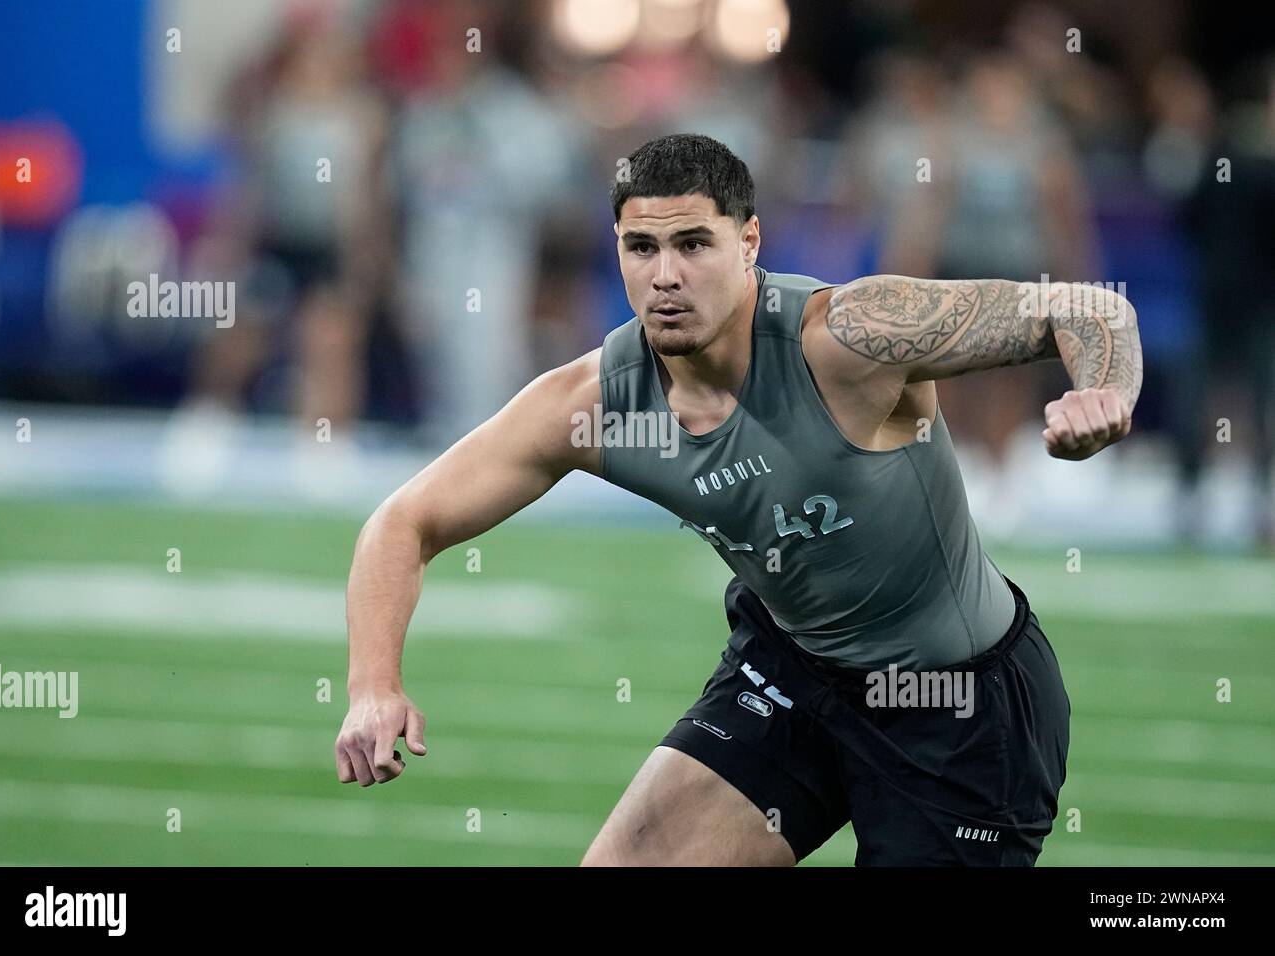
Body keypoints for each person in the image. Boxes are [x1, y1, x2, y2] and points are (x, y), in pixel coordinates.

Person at [334, 134, 1141, 866]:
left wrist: (1103, 394)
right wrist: (373, 686)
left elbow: (1090, 310)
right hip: (793, 674)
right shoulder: (595, 404)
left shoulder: (848, 338)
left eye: (693, 244)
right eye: (641, 248)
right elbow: (403, 522)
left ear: (749, 241)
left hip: (959, 707)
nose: (666, 275)